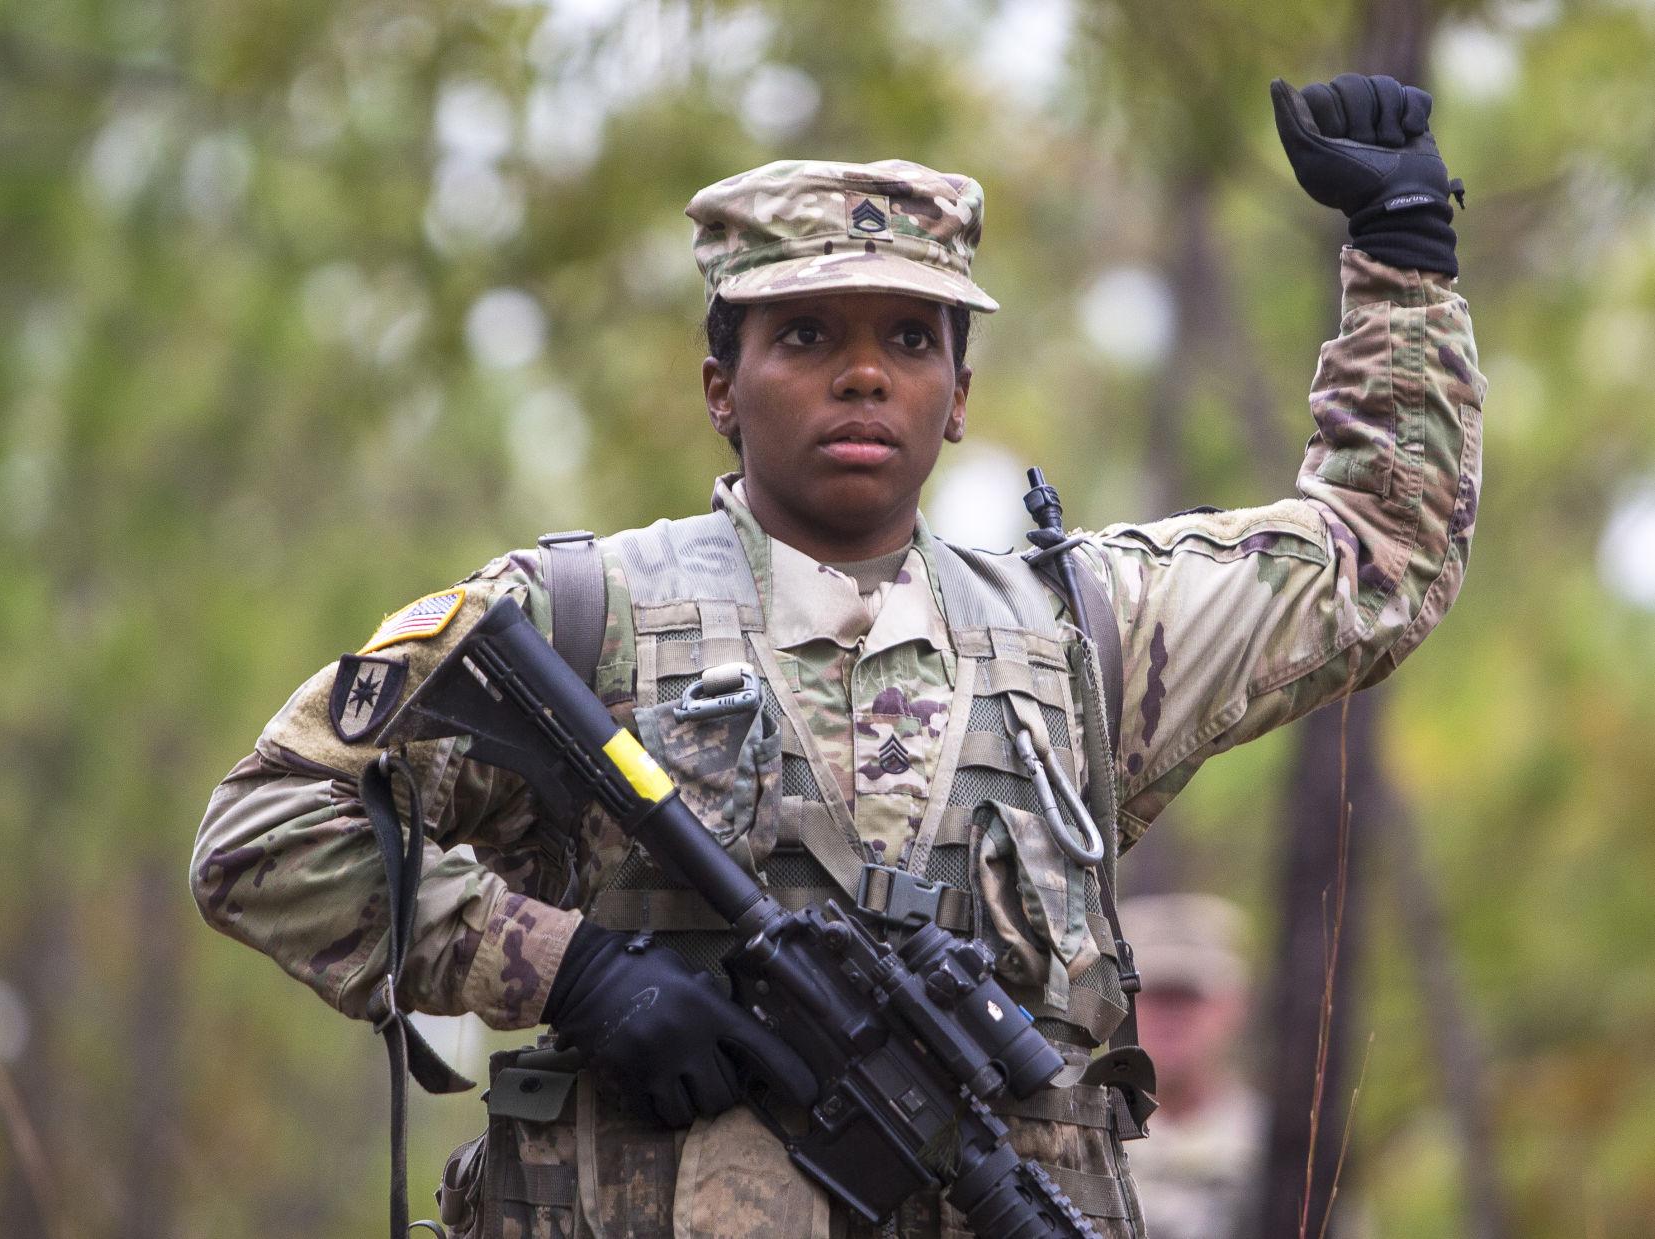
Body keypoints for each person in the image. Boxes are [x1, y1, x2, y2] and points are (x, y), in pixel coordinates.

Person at [192, 74, 1483, 1239]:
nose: (863, 374)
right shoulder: (576, 618)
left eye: (911, 339)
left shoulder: (1085, 634)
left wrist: (1404, 250)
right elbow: (261, 830)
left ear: (960, 395)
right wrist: (563, 966)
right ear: (720, 381)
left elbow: (1377, 550)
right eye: (806, 334)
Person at [1118, 895, 1264, 1239]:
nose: (1171, 1019)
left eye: (1188, 997)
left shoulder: (1279, 1148)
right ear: (1121, 1008)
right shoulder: (1074, 1135)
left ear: (1233, 1006)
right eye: (1155, 997)